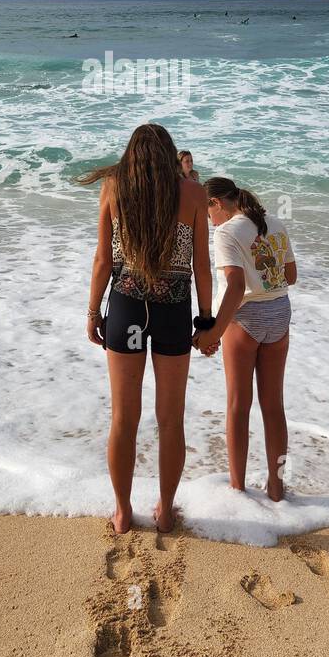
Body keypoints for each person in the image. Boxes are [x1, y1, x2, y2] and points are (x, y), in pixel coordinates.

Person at [79, 124, 213, 534]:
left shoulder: (114, 188)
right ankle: (166, 510)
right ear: (170, 154)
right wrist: (206, 320)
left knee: (124, 418)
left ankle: (122, 512)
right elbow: (201, 266)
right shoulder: (192, 193)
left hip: (126, 307)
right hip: (173, 310)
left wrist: (91, 312)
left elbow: (104, 260)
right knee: (171, 419)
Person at [195, 177, 296, 501]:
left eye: (206, 211)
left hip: (247, 317)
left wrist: (214, 332)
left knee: (238, 405)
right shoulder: (275, 223)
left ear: (217, 204)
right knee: (273, 405)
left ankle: (237, 487)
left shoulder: (225, 232)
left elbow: (236, 287)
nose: (208, 220)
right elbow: (290, 276)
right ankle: (277, 486)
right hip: (280, 313)